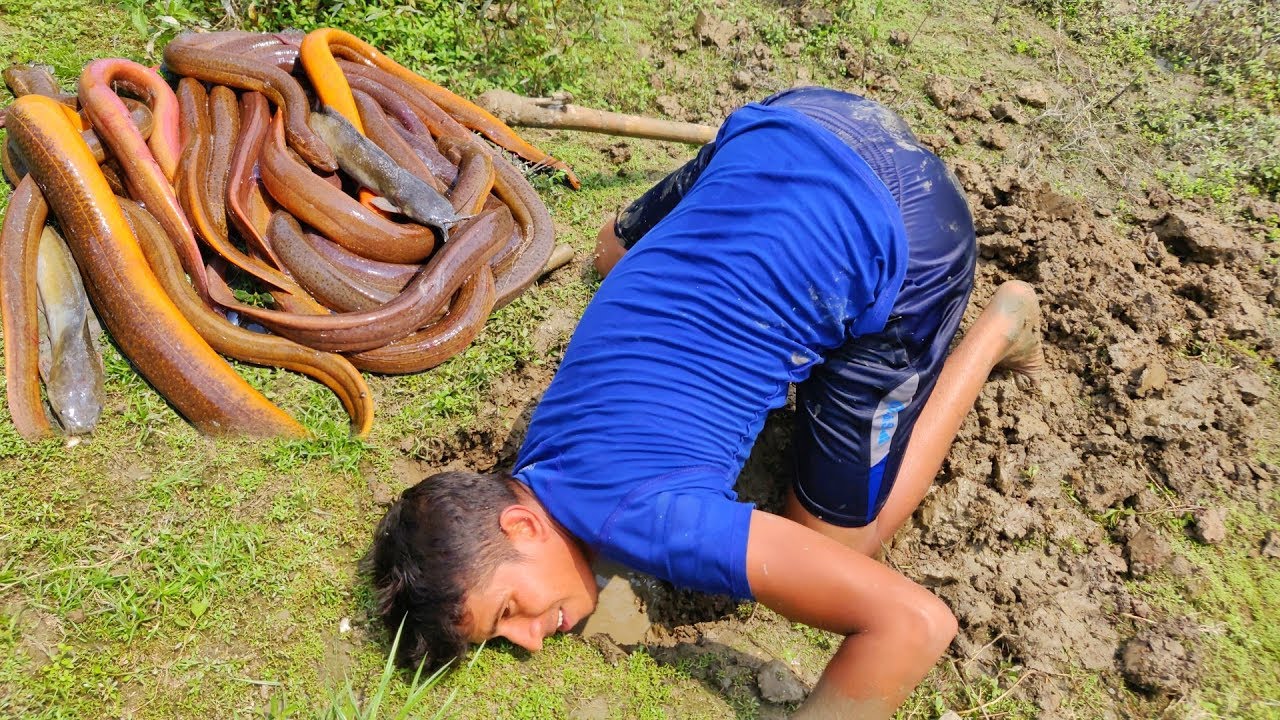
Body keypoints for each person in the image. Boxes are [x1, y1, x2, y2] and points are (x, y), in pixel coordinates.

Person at [366, 86, 1044, 719]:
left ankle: (999, 328)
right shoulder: (544, 455)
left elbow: (914, 624)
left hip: (911, 225)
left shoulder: (652, 522)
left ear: (521, 527)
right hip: (785, 129)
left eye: (510, 610)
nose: (531, 640)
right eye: (505, 638)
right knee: (613, 252)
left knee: (841, 543)